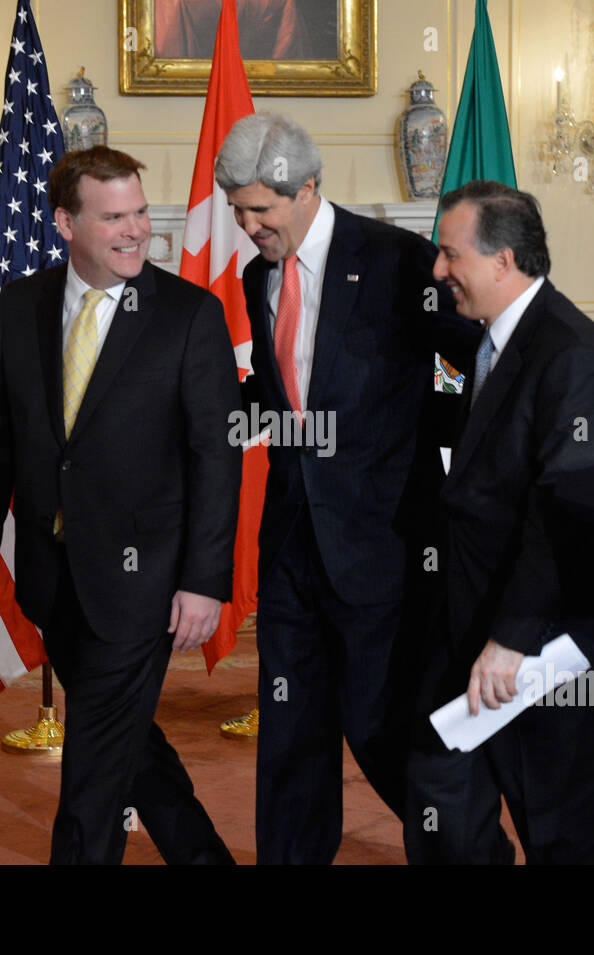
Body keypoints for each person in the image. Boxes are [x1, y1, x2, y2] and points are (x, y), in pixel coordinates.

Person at [0, 146, 241, 865]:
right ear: (65, 222)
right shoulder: (21, 306)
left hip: (143, 583)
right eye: (113, 216)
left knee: (90, 774)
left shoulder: (189, 316)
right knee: (127, 744)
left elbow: (217, 459)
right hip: (56, 581)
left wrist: (205, 580)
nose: (136, 230)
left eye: (140, 212)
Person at [216, 113, 480, 864]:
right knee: (291, 733)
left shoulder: (397, 260)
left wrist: (444, 438)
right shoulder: (257, 275)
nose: (248, 227)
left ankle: (471, 854)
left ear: (307, 189)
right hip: (295, 545)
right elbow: (278, 401)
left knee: (387, 728)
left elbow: (479, 351)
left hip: (387, 547)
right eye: (238, 212)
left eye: (261, 210)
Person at [403, 180, 594, 864]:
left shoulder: (572, 356)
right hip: (477, 620)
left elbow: (566, 515)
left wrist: (511, 640)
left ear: (502, 260)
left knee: (564, 832)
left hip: (558, 645)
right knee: (438, 789)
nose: (438, 270)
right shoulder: (489, 341)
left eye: (449, 255)